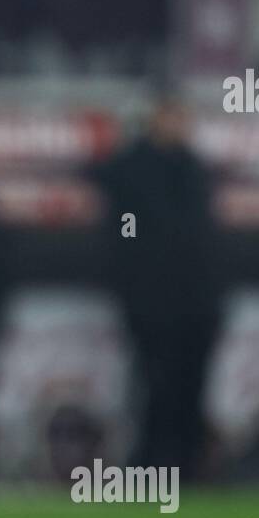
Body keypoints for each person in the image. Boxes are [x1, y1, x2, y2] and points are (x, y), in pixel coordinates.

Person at [90, 97, 221, 480]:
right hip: (151, 303)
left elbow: (205, 243)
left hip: (197, 303)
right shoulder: (131, 168)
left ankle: (189, 464)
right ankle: (154, 463)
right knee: (154, 384)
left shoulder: (195, 169)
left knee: (191, 385)